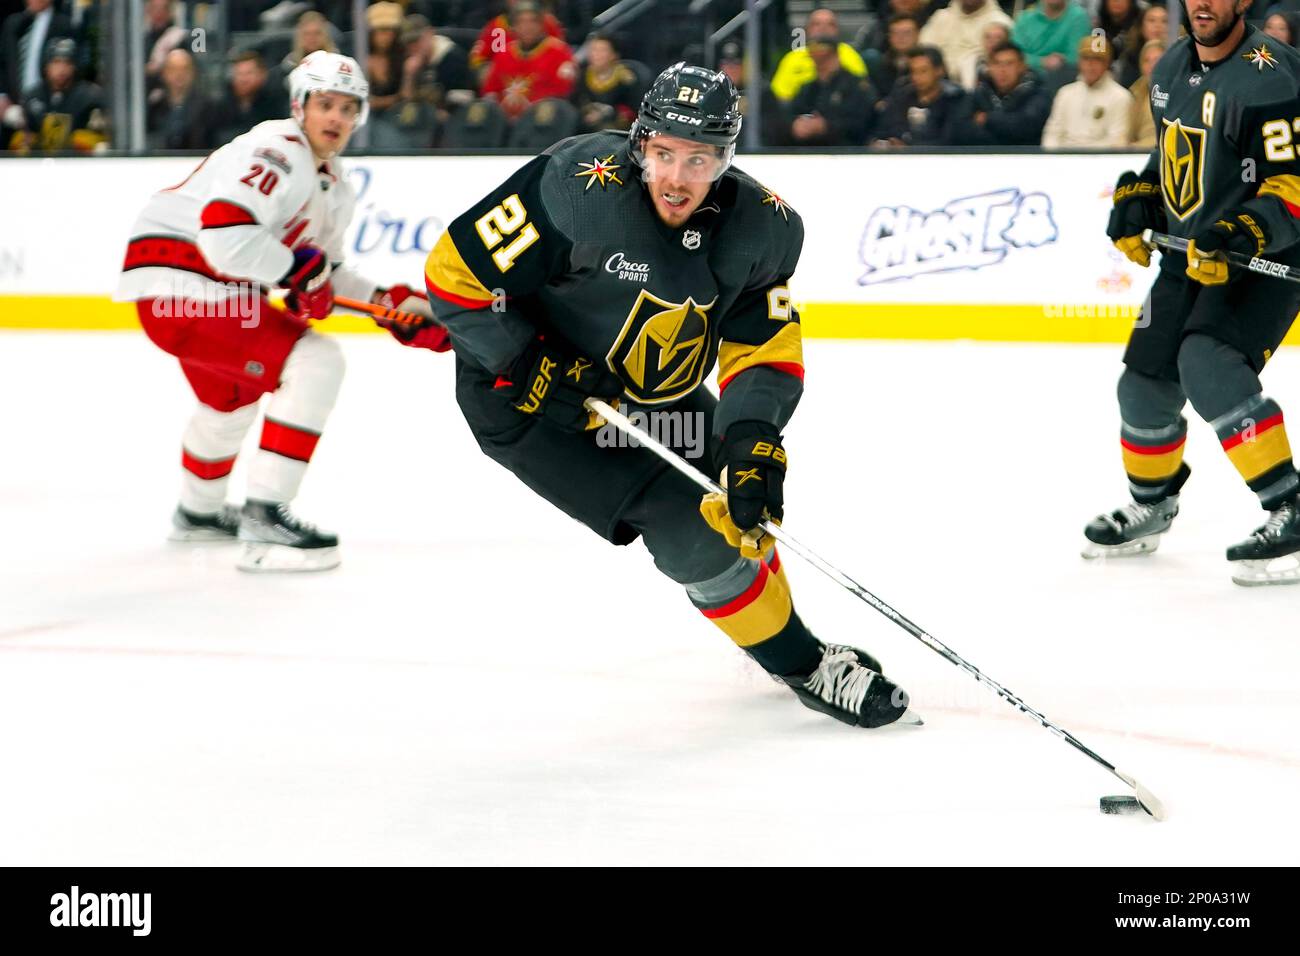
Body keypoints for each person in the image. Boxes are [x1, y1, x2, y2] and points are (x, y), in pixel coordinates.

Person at [422, 62, 917, 727]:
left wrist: (753, 436)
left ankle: (777, 638)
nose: (677, 178)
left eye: (700, 159)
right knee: (693, 534)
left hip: (650, 391)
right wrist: (530, 360)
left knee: (742, 500)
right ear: (639, 144)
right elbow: (456, 277)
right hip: (531, 405)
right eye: (663, 154)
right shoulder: (576, 188)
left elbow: (762, 344)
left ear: (726, 159)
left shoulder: (764, 228)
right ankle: (804, 665)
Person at [115, 52, 448, 573]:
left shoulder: (334, 183)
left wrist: (386, 303)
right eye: (325, 104)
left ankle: (198, 514)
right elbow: (226, 234)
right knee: (317, 362)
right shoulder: (276, 148)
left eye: (348, 107)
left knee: (232, 399)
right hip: (187, 282)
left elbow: (325, 269)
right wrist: (297, 271)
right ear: (300, 106)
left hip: (194, 291)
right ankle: (265, 519)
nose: (336, 117)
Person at [1087, 0, 1300, 586]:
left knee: (1206, 363)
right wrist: (1140, 197)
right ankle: (1152, 505)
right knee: (1143, 387)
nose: (1203, 2)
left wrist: (1247, 228)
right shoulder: (1170, 67)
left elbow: (1295, 182)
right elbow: (1175, 155)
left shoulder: (1273, 75)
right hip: (1191, 256)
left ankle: (1291, 506)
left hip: (1260, 255)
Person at [479, 0, 576, 121]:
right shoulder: (504, 53)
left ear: (541, 25)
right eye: (521, 22)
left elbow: (562, 94)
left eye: (532, 21)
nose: (527, 27)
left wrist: (530, 106)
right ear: (514, 26)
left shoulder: (559, 52)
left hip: (542, 123)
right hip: (503, 123)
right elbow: (490, 90)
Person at [6, 36, 105, 153]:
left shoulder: (90, 97)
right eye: (56, 62)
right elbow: (22, 140)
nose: (61, 69)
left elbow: (96, 141)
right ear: (46, 66)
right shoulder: (32, 97)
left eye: (67, 63)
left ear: (74, 67)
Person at [783, 32, 876, 145]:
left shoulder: (856, 86)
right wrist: (796, 124)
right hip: (809, 150)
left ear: (835, 54)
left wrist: (826, 126)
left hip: (848, 151)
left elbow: (862, 123)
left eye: (823, 53)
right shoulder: (808, 88)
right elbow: (793, 113)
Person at [1039, 35, 1131, 149]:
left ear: (1107, 63)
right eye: (1086, 58)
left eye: (1097, 59)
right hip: (1062, 160)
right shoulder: (1065, 93)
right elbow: (1051, 134)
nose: (1090, 64)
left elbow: (1117, 141)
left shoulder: (1120, 96)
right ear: (1079, 61)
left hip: (1101, 161)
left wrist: (1081, 156)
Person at [873, 45, 972, 146]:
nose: (916, 77)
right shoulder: (902, 97)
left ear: (939, 70)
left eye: (923, 71)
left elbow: (951, 140)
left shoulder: (956, 99)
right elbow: (882, 131)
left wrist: (909, 149)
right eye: (913, 71)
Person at [958, 40, 1052, 145]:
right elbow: (961, 130)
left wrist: (987, 119)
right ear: (989, 67)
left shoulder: (1037, 94)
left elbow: (1026, 127)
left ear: (1022, 67)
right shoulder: (979, 93)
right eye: (996, 63)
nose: (1002, 70)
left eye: (1009, 64)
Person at [770, 8, 869, 102]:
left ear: (838, 30)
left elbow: (860, 93)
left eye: (830, 24)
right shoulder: (793, 58)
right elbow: (780, 97)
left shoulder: (850, 55)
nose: (823, 28)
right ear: (807, 30)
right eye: (816, 24)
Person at [918, 0, 1011, 92]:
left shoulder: (1001, 22)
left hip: (979, 89)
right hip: (936, 87)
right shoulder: (940, 17)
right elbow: (923, 51)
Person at [571, 32, 639, 132]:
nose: (596, 55)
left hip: (615, 128)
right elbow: (574, 102)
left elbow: (632, 110)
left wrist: (608, 114)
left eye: (602, 50)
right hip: (586, 125)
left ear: (614, 55)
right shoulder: (583, 75)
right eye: (593, 50)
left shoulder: (625, 78)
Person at [147, 47, 207, 150]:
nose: (179, 74)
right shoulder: (154, 107)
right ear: (164, 73)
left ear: (193, 72)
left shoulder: (207, 108)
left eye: (184, 68)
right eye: (173, 69)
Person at [1125, 37, 1165, 147]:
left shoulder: (1175, 92)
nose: (1152, 66)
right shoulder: (1136, 92)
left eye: (1157, 60)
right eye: (1146, 61)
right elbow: (1129, 134)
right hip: (1138, 153)